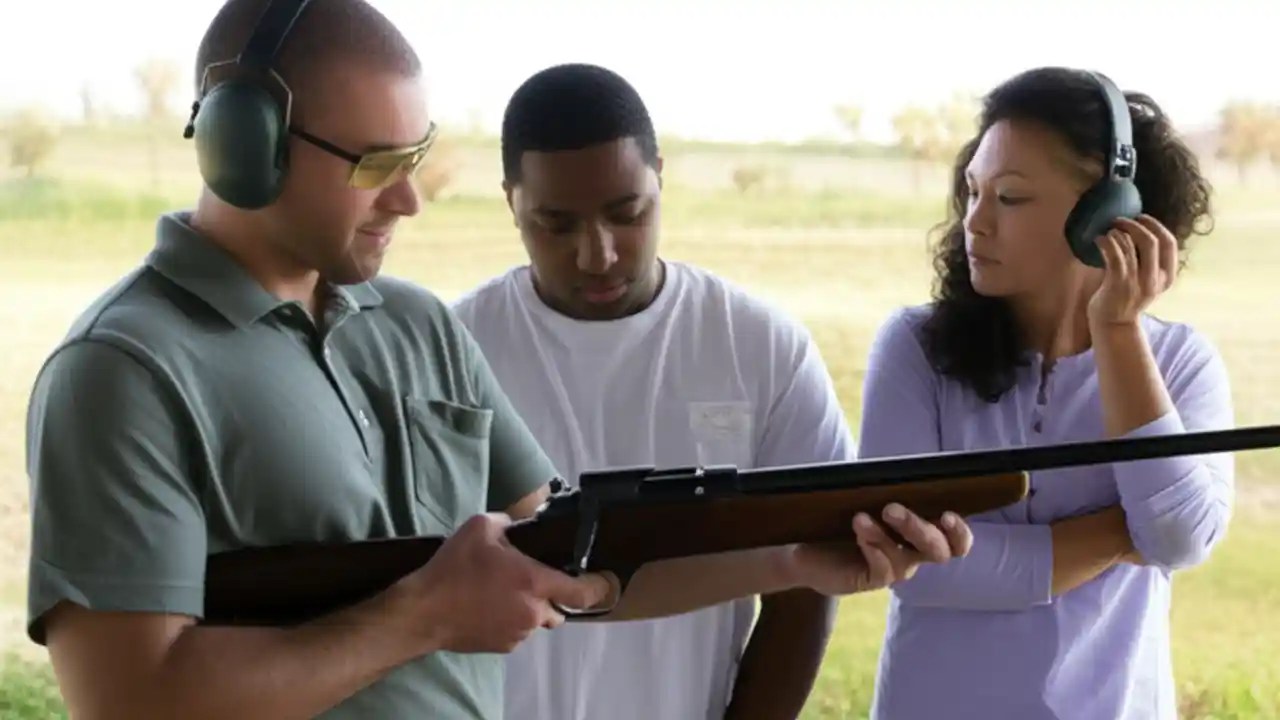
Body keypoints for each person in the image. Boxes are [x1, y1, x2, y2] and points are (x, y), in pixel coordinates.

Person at [22, 2, 975, 719]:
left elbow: (575, 566)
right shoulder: (124, 370)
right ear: (243, 150)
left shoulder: (417, 325)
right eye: (373, 169)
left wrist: (792, 555)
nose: (408, 204)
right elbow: (130, 699)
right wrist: (423, 615)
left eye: (416, 159)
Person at [451, 62, 851, 720]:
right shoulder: (455, 350)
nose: (598, 254)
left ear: (659, 176)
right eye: (556, 224)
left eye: (626, 213)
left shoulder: (762, 346)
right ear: (510, 202)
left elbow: (807, 588)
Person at [857, 66, 1234, 720]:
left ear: (1104, 214)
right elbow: (910, 568)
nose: (974, 221)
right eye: (973, 191)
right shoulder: (914, 348)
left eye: (1010, 198)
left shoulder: (1181, 363)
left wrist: (1115, 329)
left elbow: (1177, 539)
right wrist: (1118, 534)